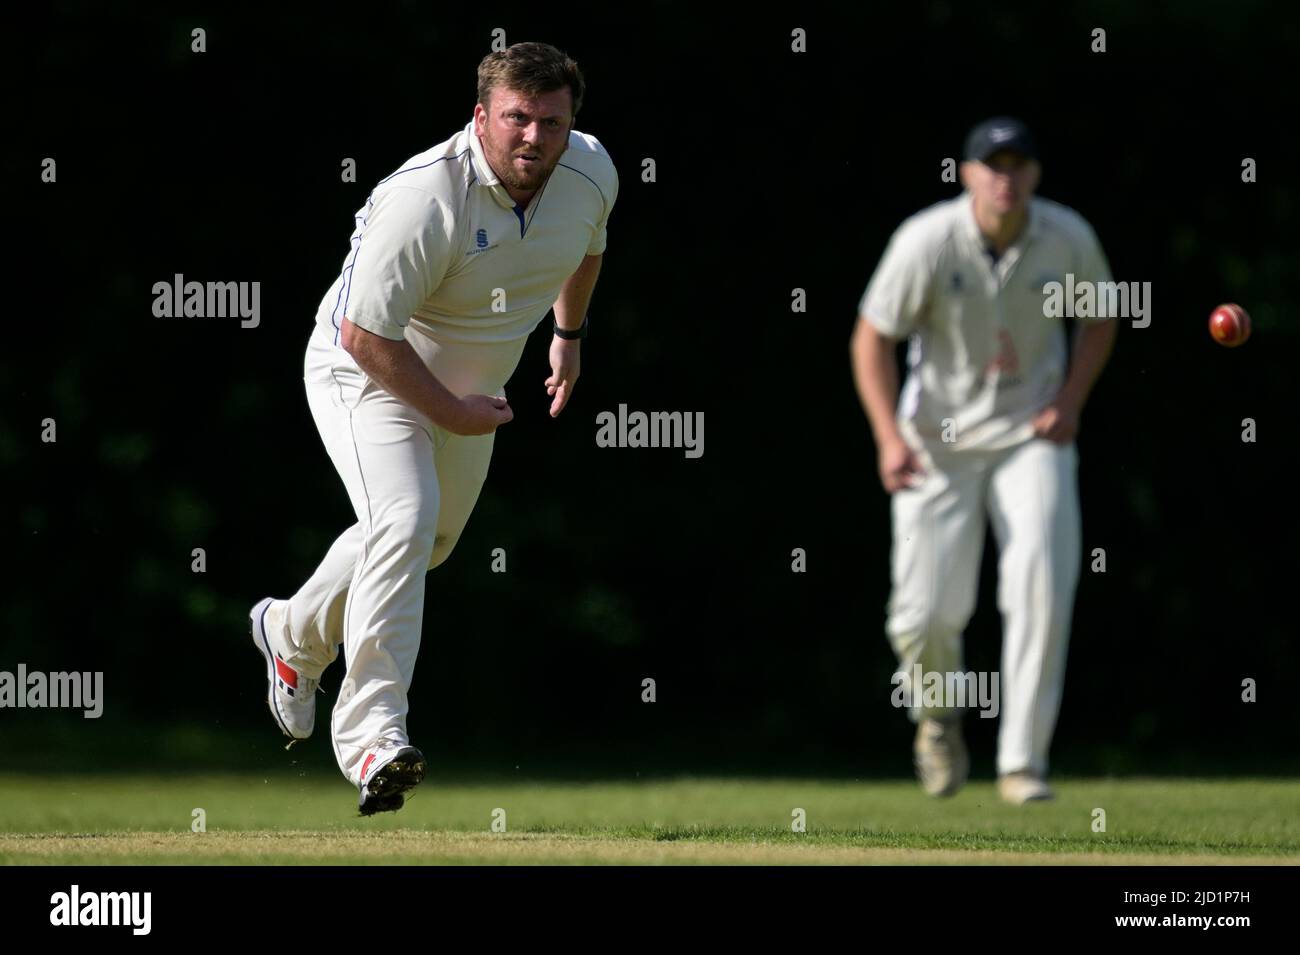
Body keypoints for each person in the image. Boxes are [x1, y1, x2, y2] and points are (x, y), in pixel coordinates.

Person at [249, 41, 618, 815]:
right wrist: (449, 412)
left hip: (469, 390)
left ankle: (292, 633)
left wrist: (569, 336)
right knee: (406, 519)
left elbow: (587, 246)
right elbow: (361, 333)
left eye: (551, 122)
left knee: (430, 543)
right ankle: (374, 737)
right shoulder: (424, 198)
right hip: (366, 373)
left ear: (571, 123)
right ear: (480, 117)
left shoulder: (590, 172)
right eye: (516, 118)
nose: (533, 137)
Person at [849, 118, 1117, 804]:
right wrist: (888, 437)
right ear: (966, 174)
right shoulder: (927, 240)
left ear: (1035, 174)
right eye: (992, 165)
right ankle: (937, 717)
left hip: (1031, 436)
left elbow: (1101, 315)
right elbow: (872, 338)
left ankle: (1022, 763)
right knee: (924, 613)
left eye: (1019, 164)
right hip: (935, 443)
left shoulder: (1067, 235)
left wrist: (1070, 399)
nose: (1007, 177)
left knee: (1042, 580)